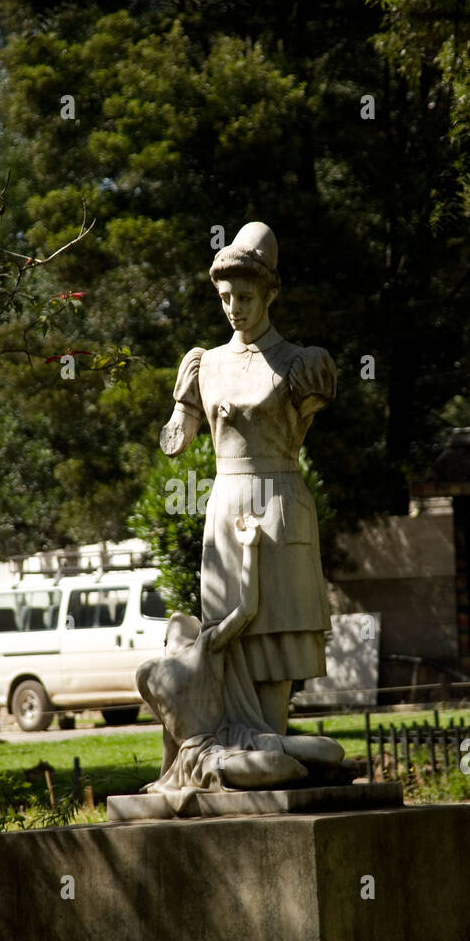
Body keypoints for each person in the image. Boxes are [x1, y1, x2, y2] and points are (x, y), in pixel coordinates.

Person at [159, 221, 337, 736]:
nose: (234, 307)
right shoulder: (204, 364)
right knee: (226, 633)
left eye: (245, 296)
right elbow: (179, 436)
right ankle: (234, 744)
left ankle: (272, 744)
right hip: (226, 498)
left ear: (268, 293)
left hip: (279, 498)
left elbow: (307, 408)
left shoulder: (302, 364)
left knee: (276, 630)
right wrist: (177, 420)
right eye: (225, 297)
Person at [136, 514, 343, 793]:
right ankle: (308, 776)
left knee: (331, 750)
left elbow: (247, 610)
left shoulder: (205, 649)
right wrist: (164, 781)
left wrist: (251, 547)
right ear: (166, 642)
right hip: (209, 759)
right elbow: (170, 738)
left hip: (240, 739)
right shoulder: (151, 673)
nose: (180, 618)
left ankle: (310, 773)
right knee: (275, 765)